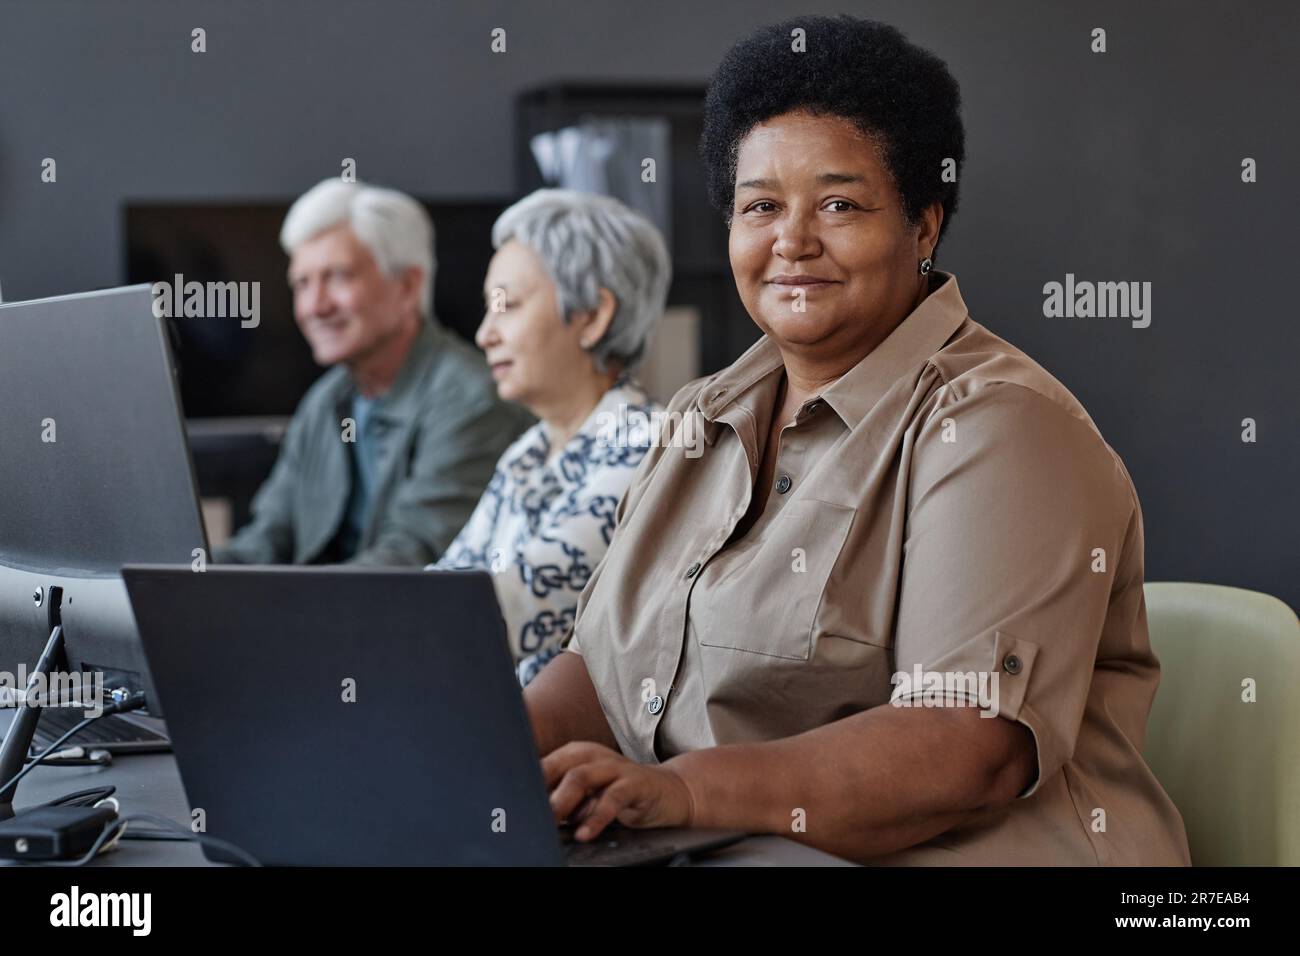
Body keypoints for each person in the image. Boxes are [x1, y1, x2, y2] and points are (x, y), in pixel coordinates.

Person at [522, 15, 1192, 865]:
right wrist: (484, 754)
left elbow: (964, 744)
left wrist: (687, 792)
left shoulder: (1002, 428)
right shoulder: (700, 418)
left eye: (840, 204)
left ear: (923, 226)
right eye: (760, 206)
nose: (792, 242)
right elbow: (601, 672)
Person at [212, 179, 530, 566]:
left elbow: (408, 560)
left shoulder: (471, 399)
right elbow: (266, 540)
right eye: (302, 283)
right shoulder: (325, 401)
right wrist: (175, 581)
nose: (315, 305)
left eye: (338, 276)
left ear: (408, 286)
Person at [432, 190, 671, 686]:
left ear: (591, 317)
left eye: (507, 307)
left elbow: (505, 607)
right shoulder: (528, 452)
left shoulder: (645, 445)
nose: (484, 335)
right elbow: (446, 584)